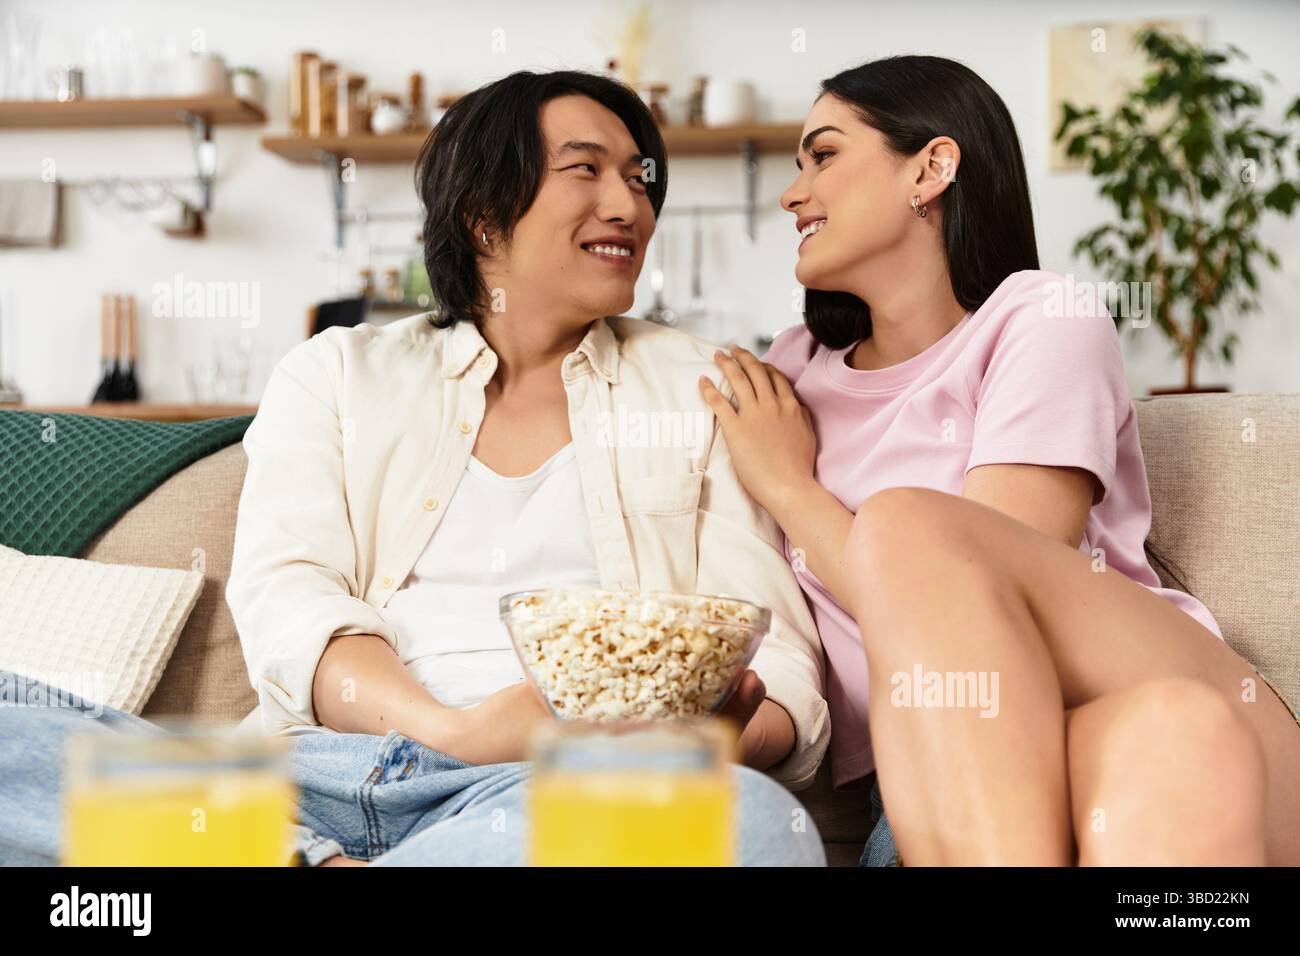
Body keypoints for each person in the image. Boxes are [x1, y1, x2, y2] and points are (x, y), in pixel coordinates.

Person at [0, 70, 828, 868]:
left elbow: (779, 662)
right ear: (482, 216)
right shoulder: (336, 373)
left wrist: (700, 742)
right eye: (587, 170)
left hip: (546, 797)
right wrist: (451, 731)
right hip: (299, 781)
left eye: (641, 179)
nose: (630, 204)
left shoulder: (707, 390)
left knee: (755, 825)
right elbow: (290, 599)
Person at [698, 55, 1300, 866]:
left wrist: (788, 486)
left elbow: (975, 586)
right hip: (944, 774)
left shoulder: (1039, 318)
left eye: (825, 155)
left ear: (933, 167)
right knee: (1172, 744)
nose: (793, 192)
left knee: (910, 526)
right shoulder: (792, 371)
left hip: (1133, 679)